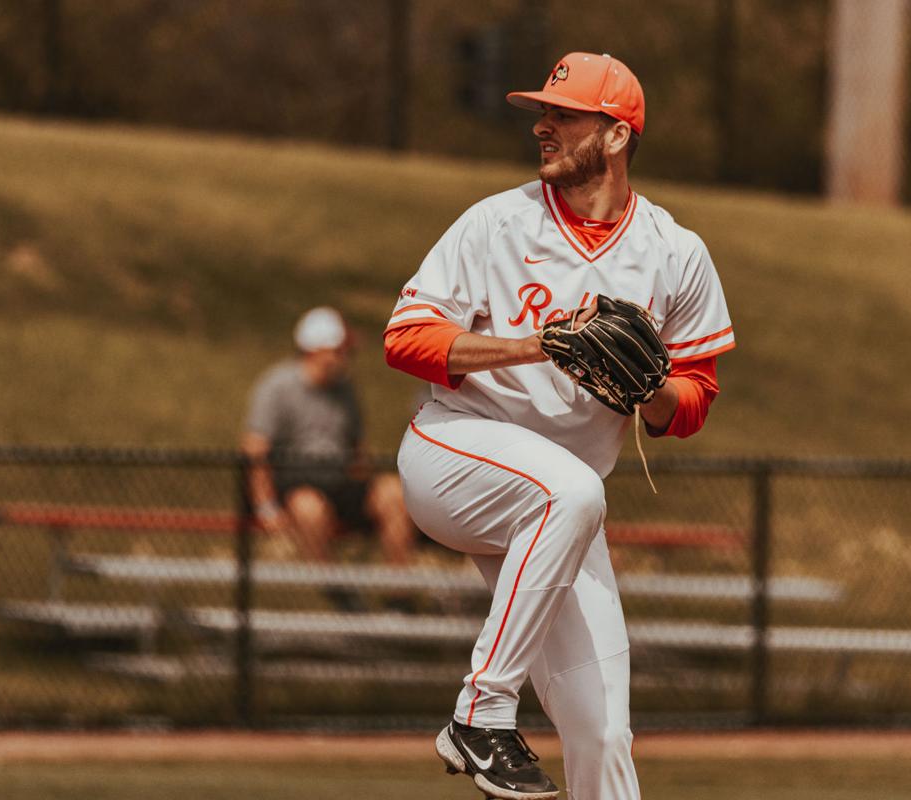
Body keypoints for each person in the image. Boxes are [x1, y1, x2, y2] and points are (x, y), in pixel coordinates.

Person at [383, 53, 734, 800]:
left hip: (560, 512)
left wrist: (649, 389)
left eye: (563, 115)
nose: (542, 125)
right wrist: (535, 344)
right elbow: (405, 338)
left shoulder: (675, 253)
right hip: (454, 454)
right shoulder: (496, 223)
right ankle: (481, 713)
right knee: (572, 492)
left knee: (604, 735)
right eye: (542, 111)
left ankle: (493, 720)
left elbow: (693, 400)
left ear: (615, 135)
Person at [242, 306, 414, 566]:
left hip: (338, 479)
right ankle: (332, 592)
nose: (347, 357)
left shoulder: (346, 390)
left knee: (393, 493)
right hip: (296, 482)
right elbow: (255, 449)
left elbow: (357, 449)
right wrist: (265, 506)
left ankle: (399, 596)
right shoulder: (277, 386)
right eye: (340, 350)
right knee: (309, 507)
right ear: (315, 350)